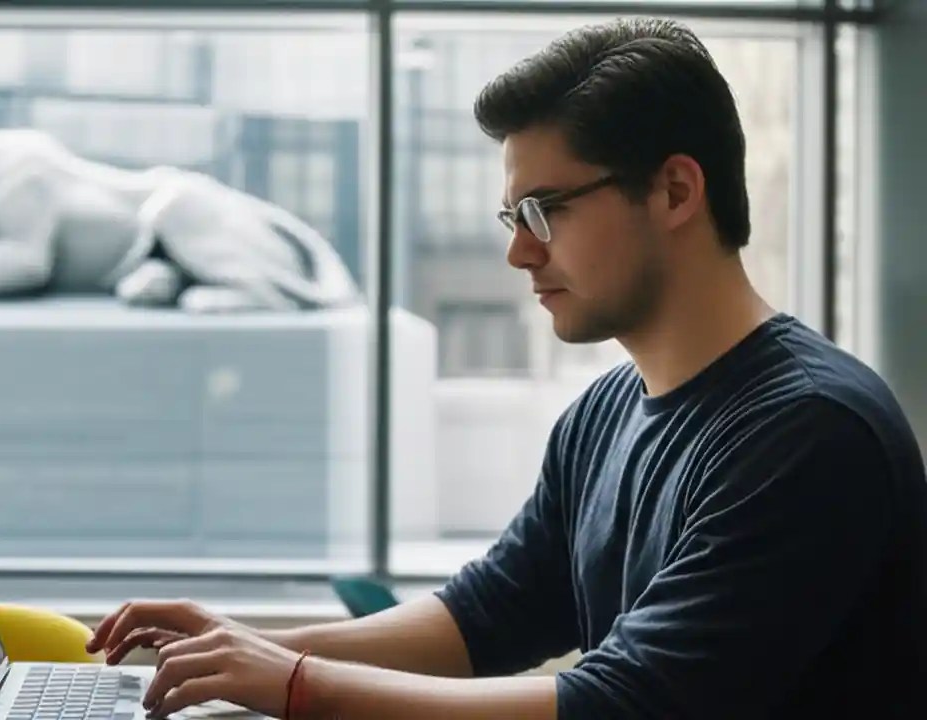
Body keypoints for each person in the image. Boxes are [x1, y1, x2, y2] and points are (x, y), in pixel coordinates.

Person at [85, 17, 927, 719]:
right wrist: (242, 646)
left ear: (675, 192)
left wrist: (297, 684)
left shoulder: (812, 433)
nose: (520, 251)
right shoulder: (605, 412)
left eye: (544, 210)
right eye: (509, 214)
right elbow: (487, 617)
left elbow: (623, 705)